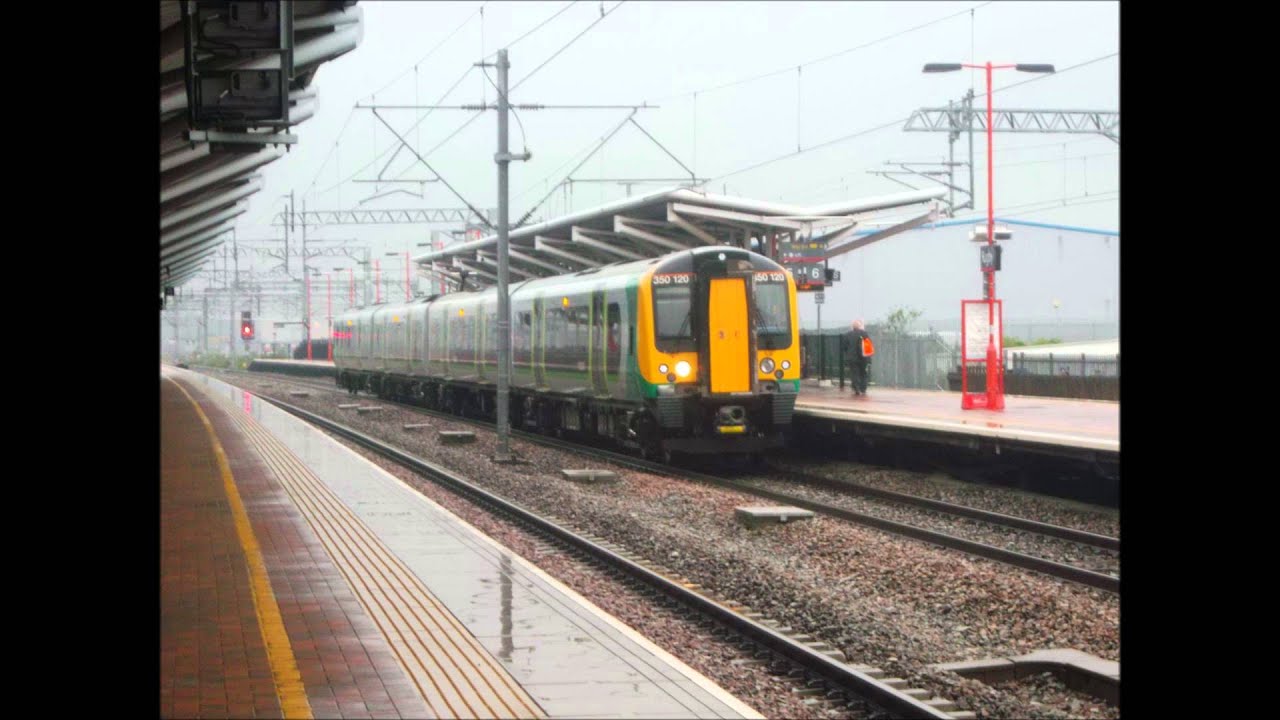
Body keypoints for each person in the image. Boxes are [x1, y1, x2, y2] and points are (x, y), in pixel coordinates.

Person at [843, 319, 874, 395]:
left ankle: (856, 388)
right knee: (863, 373)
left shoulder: (848, 335)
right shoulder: (864, 333)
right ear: (860, 326)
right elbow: (868, 346)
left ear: (852, 327)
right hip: (863, 357)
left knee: (854, 373)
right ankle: (863, 388)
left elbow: (844, 347)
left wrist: (848, 353)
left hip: (852, 358)